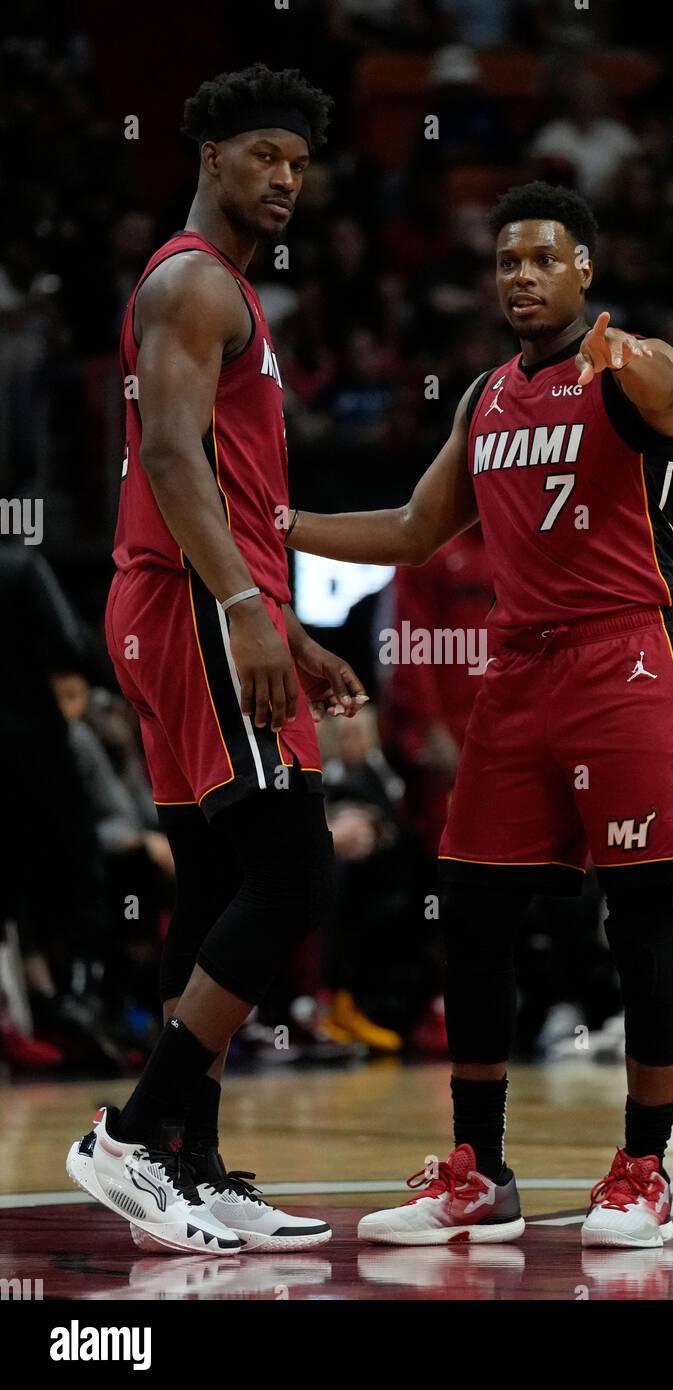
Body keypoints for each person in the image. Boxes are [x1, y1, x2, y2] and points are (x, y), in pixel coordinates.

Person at [287, 180, 673, 1248]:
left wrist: (640, 359)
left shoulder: (626, 370)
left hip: (629, 655)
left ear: (582, 270)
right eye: (504, 260)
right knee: (471, 915)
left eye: (540, 258)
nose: (518, 275)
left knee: (641, 918)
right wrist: (275, 524)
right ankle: (478, 1169)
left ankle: (643, 1169)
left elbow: (672, 392)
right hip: (517, 674)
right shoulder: (483, 397)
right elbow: (408, 528)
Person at [66, 63, 368, 1256]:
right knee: (295, 876)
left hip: (192, 596)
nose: (285, 179)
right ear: (209, 159)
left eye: (298, 163)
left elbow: (221, 487)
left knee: (208, 881)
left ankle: (186, 1159)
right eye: (263, 157)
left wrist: (285, 625)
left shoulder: (216, 287)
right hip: (193, 597)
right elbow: (177, 458)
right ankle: (135, 1137)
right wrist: (246, 606)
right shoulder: (195, 284)